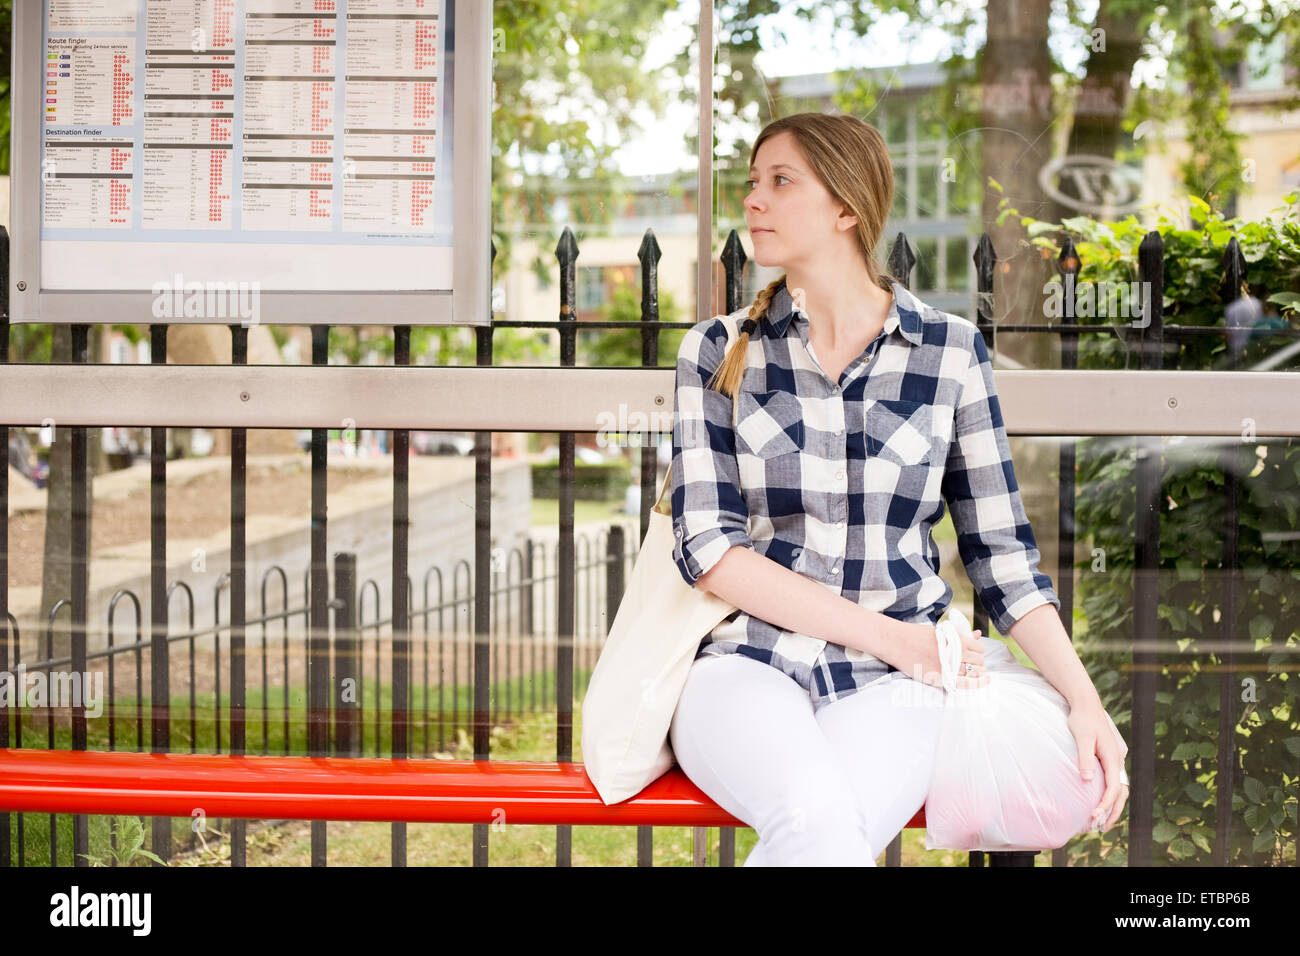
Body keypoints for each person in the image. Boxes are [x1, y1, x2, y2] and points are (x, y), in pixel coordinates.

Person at [667, 112, 1127, 866]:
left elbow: (1002, 556)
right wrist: (902, 643)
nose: (752, 201)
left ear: (847, 207)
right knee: (818, 823)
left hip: (897, 689)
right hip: (743, 665)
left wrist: (1085, 698)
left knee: (825, 834)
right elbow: (710, 549)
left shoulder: (948, 352)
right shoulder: (716, 351)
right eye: (752, 184)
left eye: (780, 182)